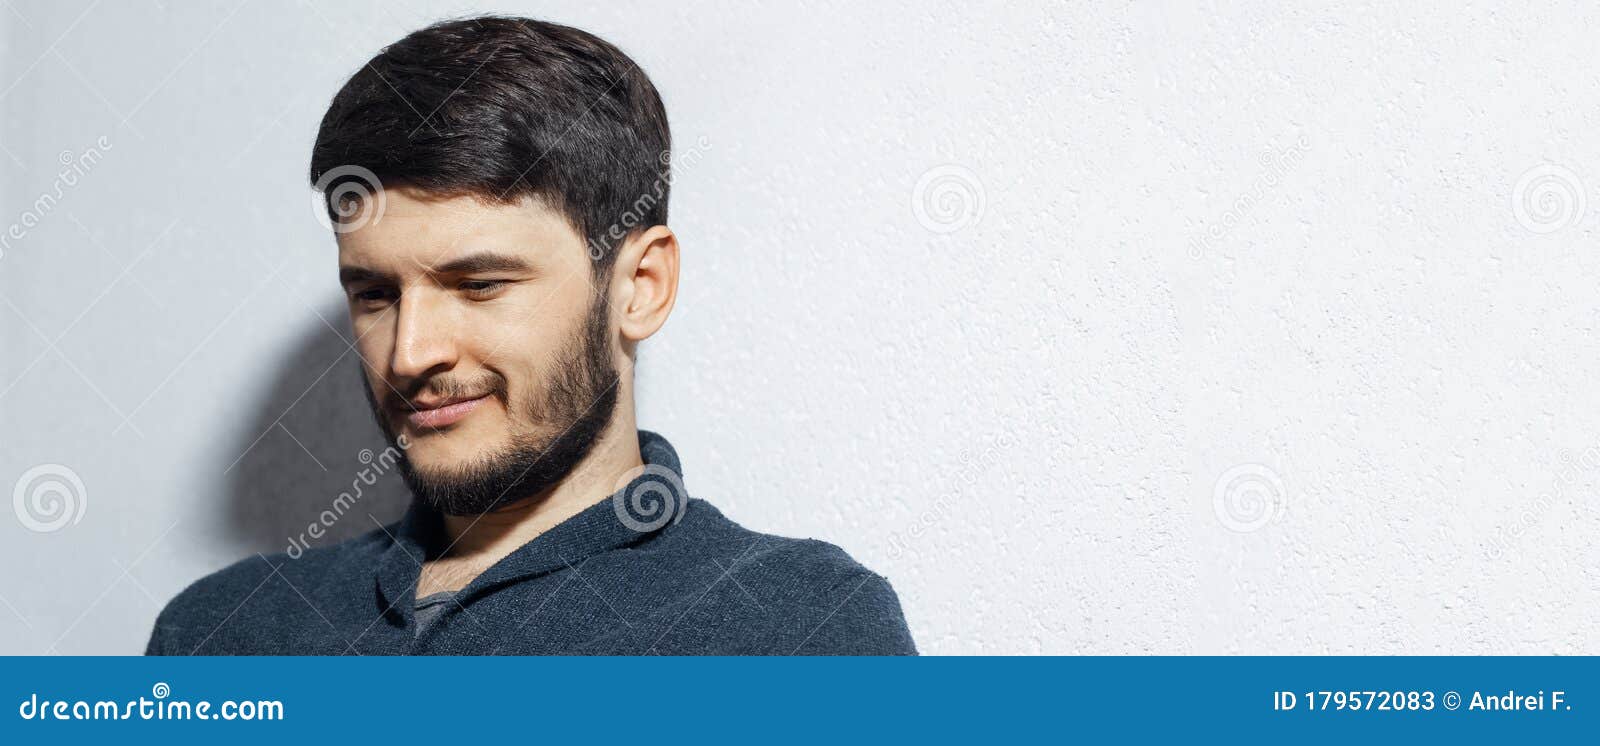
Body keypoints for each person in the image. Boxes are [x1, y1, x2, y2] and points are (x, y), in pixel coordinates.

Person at [144, 15, 914, 655]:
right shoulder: (221, 634)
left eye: (479, 284)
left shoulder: (798, 632)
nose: (410, 354)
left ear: (639, 289)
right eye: (376, 293)